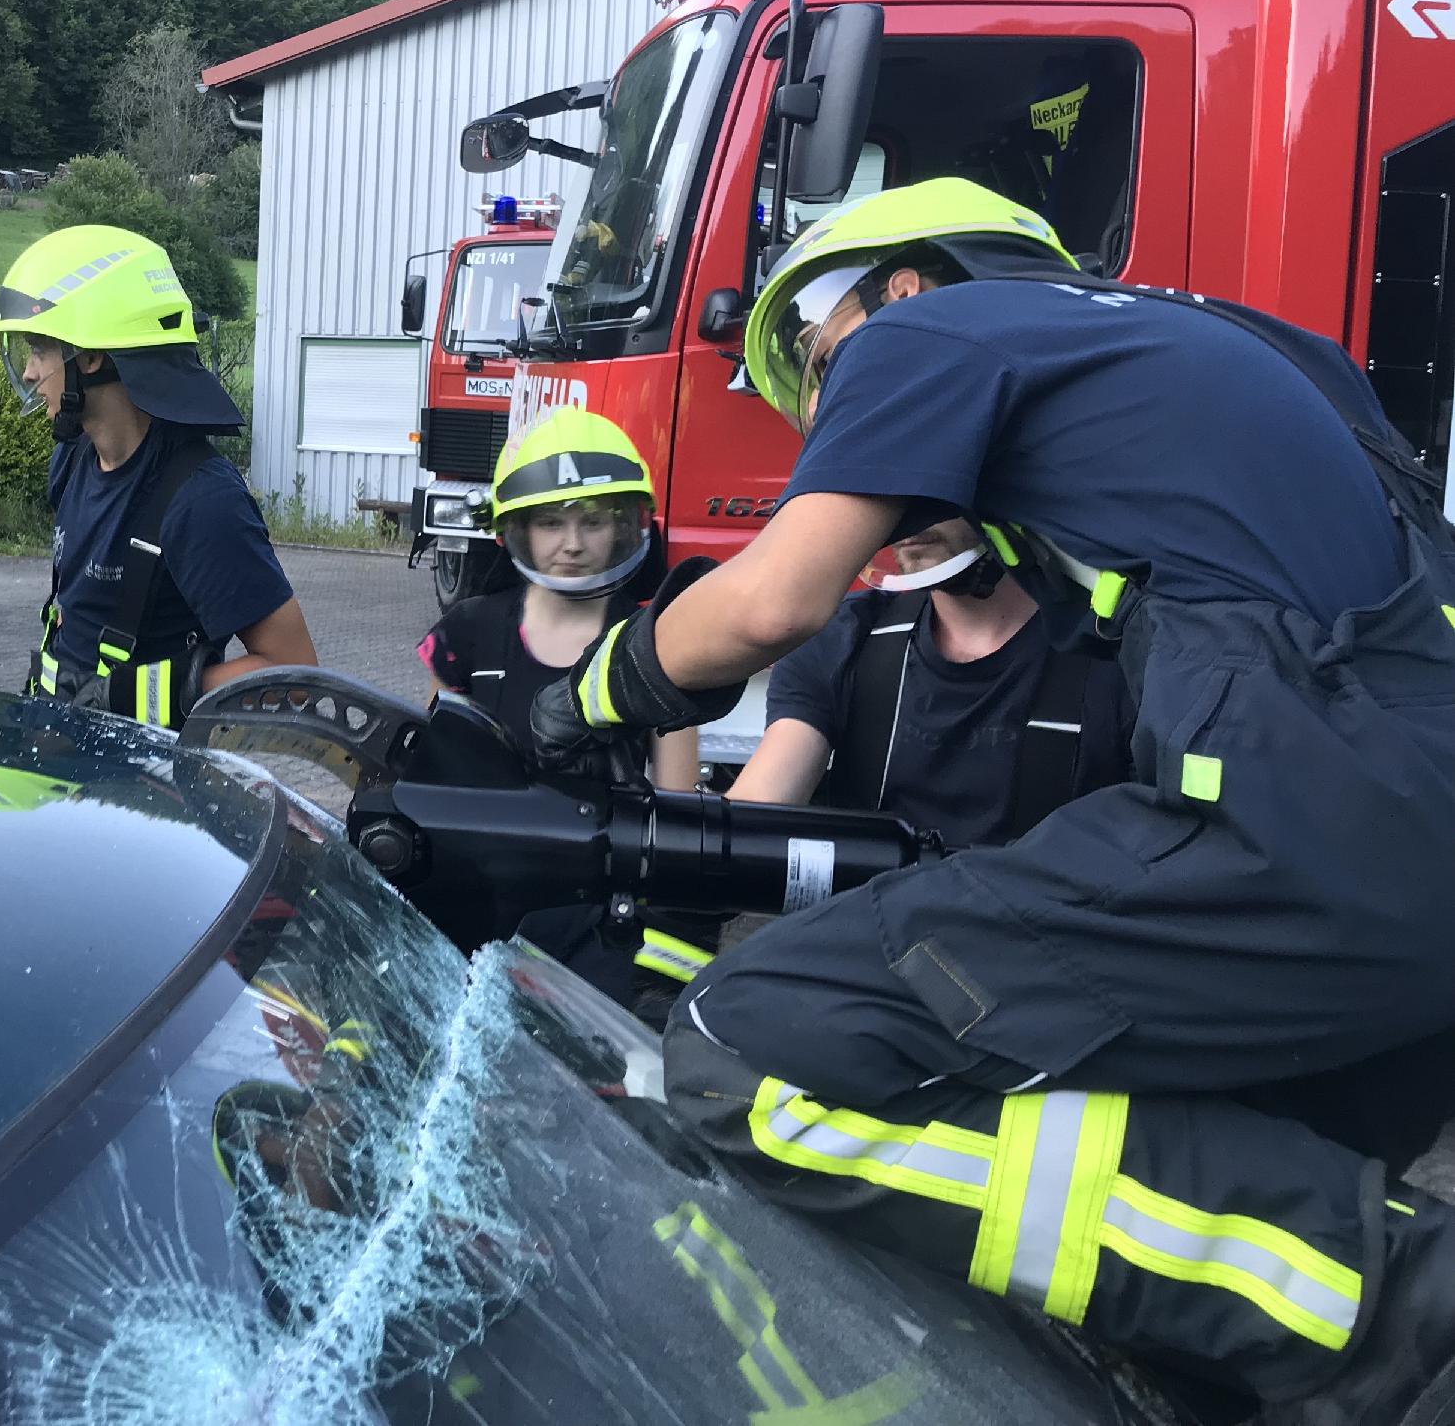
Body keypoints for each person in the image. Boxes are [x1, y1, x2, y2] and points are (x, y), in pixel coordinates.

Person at [530, 177, 1455, 1420]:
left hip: (1313, 798)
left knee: (749, 1044)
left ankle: (1408, 1303)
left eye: (814, 361)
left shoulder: (927, 330)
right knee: (1191, 1218)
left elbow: (769, 603)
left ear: (902, 284)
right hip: (1405, 824)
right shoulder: (1244, 343)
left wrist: (593, 691)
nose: (822, 416)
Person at [418, 406, 707, 1006]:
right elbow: (434, 782)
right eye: (550, 523)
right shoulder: (468, 633)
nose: (572, 545)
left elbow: (677, 811)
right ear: (516, 528)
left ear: (628, 526)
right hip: (482, 906)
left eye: (593, 522)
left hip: (602, 921)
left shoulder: (657, 643)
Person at [0, 224, 314, 726]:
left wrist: (150, 693)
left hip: (148, 787)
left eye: (39, 350)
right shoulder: (74, 458)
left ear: (91, 356)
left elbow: (294, 678)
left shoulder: (203, 501)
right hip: (61, 759)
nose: (30, 373)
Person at [728, 516, 1133, 847]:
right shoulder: (848, 638)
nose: (907, 512)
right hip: (869, 935)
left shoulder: (1120, 655)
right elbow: (758, 811)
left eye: (937, 486)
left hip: (1040, 938)